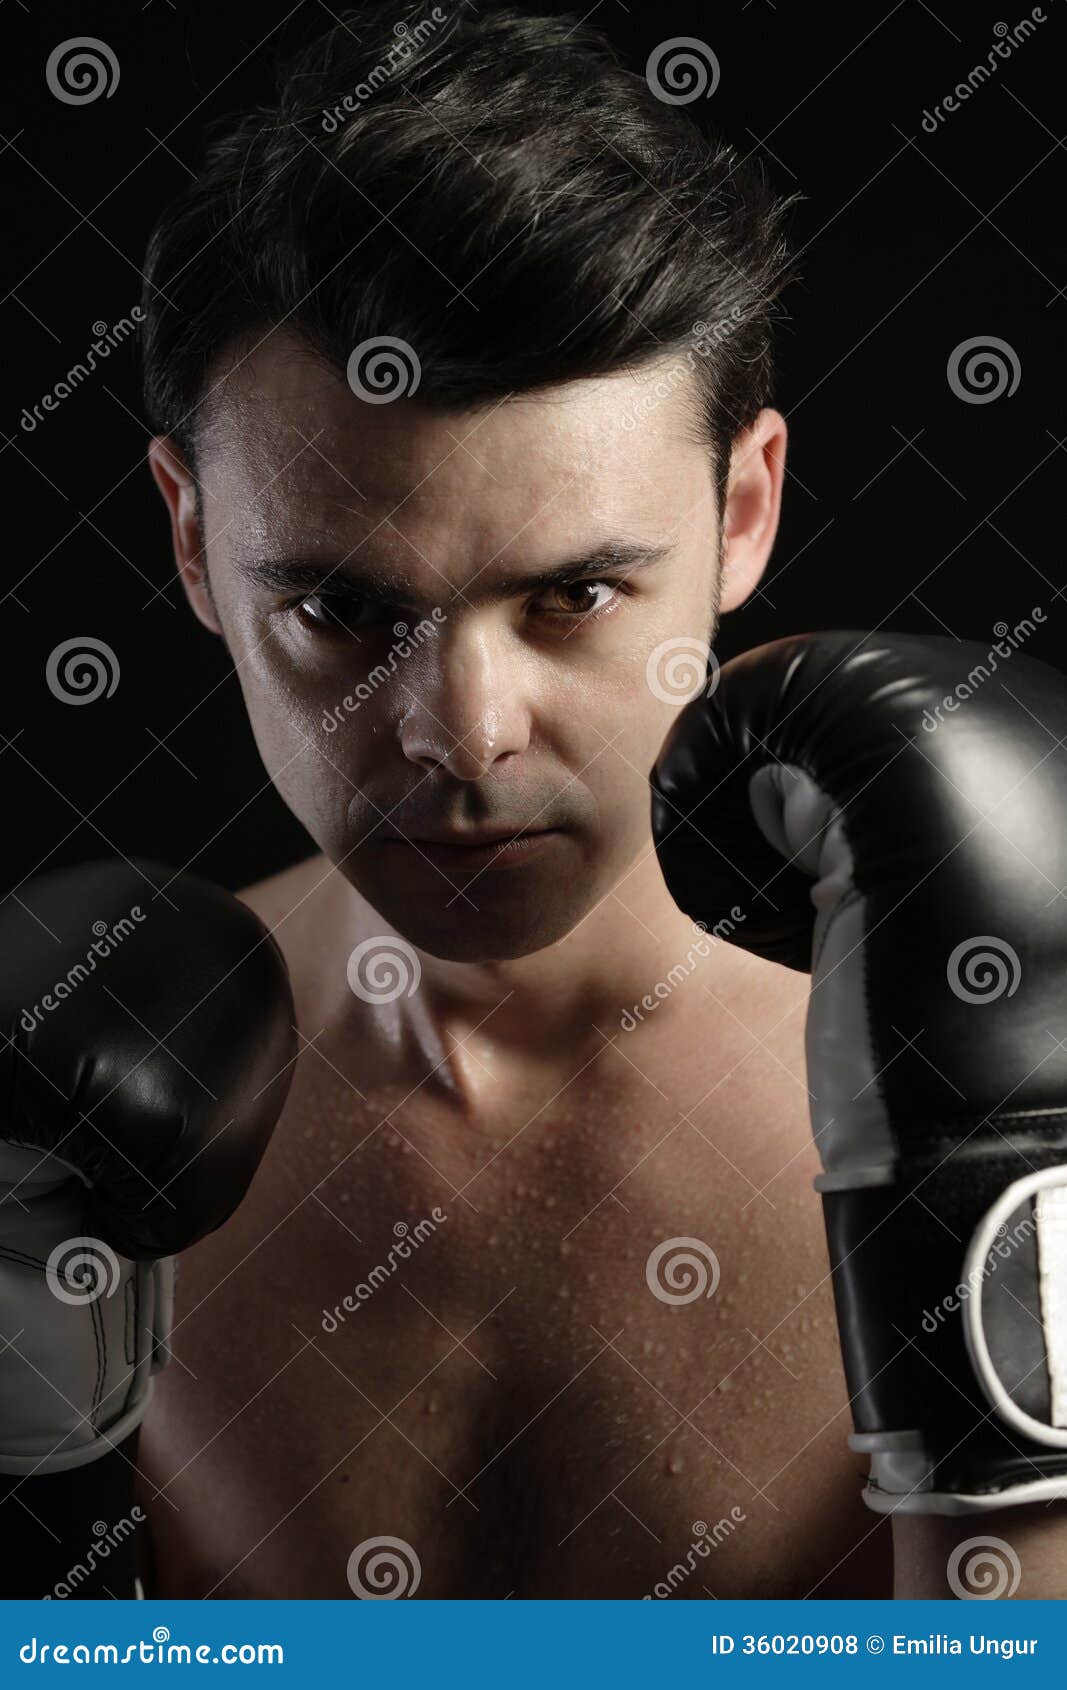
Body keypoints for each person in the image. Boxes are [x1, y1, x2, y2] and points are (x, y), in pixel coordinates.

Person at [132, 3, 1065, 1598]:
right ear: (194, 540)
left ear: (745, 505)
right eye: (343, 613)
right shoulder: (73, 1104)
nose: (464, 734)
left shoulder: (999, 1085)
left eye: (572, 597)